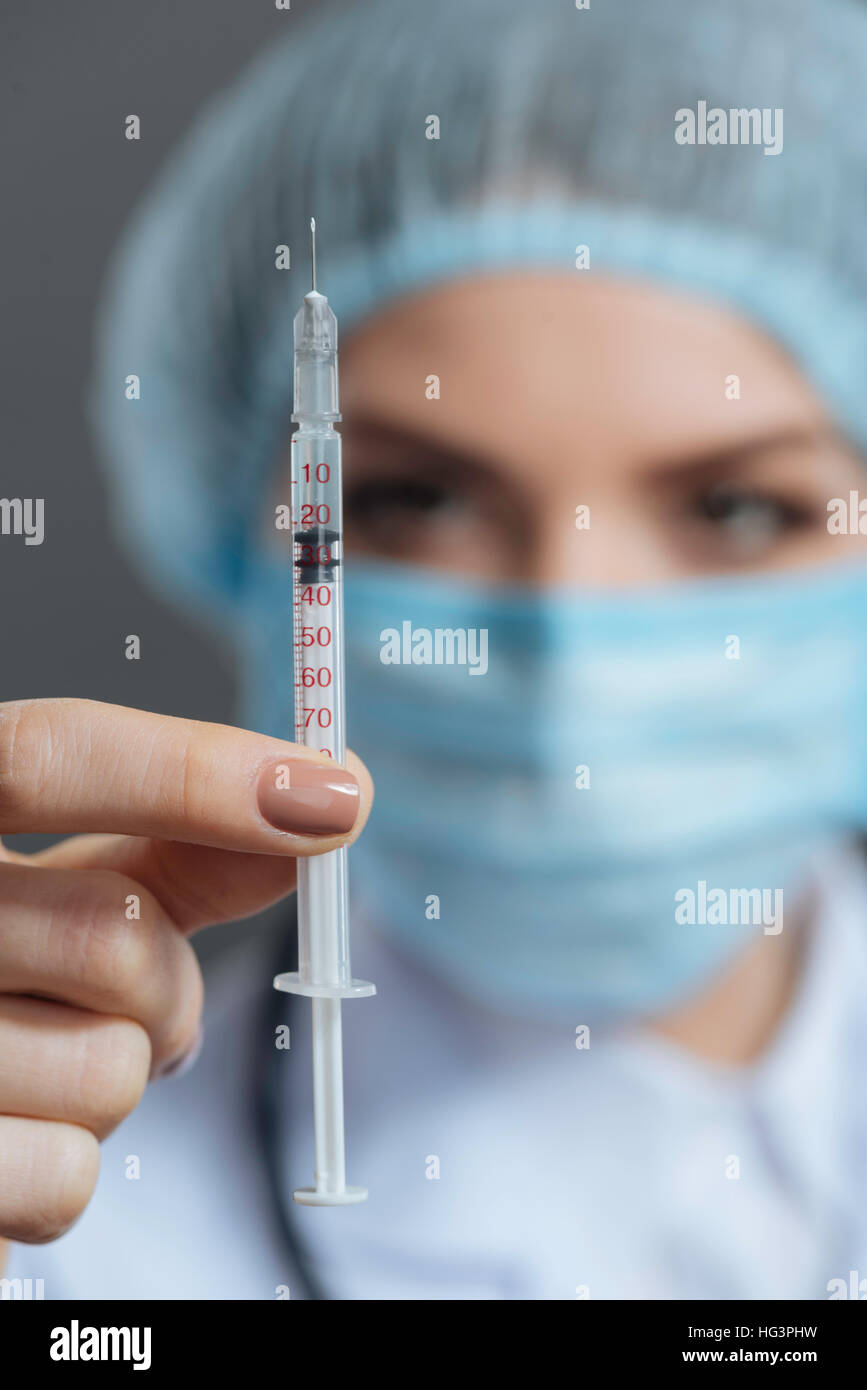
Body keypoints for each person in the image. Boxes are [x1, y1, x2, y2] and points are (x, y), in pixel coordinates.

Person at [4, 0, 867, 1299]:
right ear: (252, 535)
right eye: (421, 499)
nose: (568, 642)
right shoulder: (74, 1231)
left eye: (739, 508)